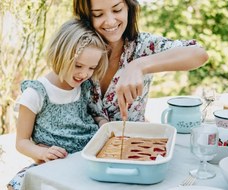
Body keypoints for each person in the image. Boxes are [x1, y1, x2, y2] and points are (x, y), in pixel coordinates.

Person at [7, 18, 108, 190]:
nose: (84, 73)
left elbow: (93, 114)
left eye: (92, 68)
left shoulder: (84, 87)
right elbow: (22, 142)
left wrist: (103, 124)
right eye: (78, 65)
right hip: (56, 161)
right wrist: (42, 153)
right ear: (60, 55)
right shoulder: (36, 93)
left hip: (88, 159)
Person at [73, 0, 209, 126]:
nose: (110, 21)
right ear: (86, 16)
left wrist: (139, 65)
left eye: (117, 10)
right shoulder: (75, 45)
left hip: (133, 146)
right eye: (98, 14)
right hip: (79, 147)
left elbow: (199, 54)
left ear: (128, 8)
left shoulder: (143, 45)